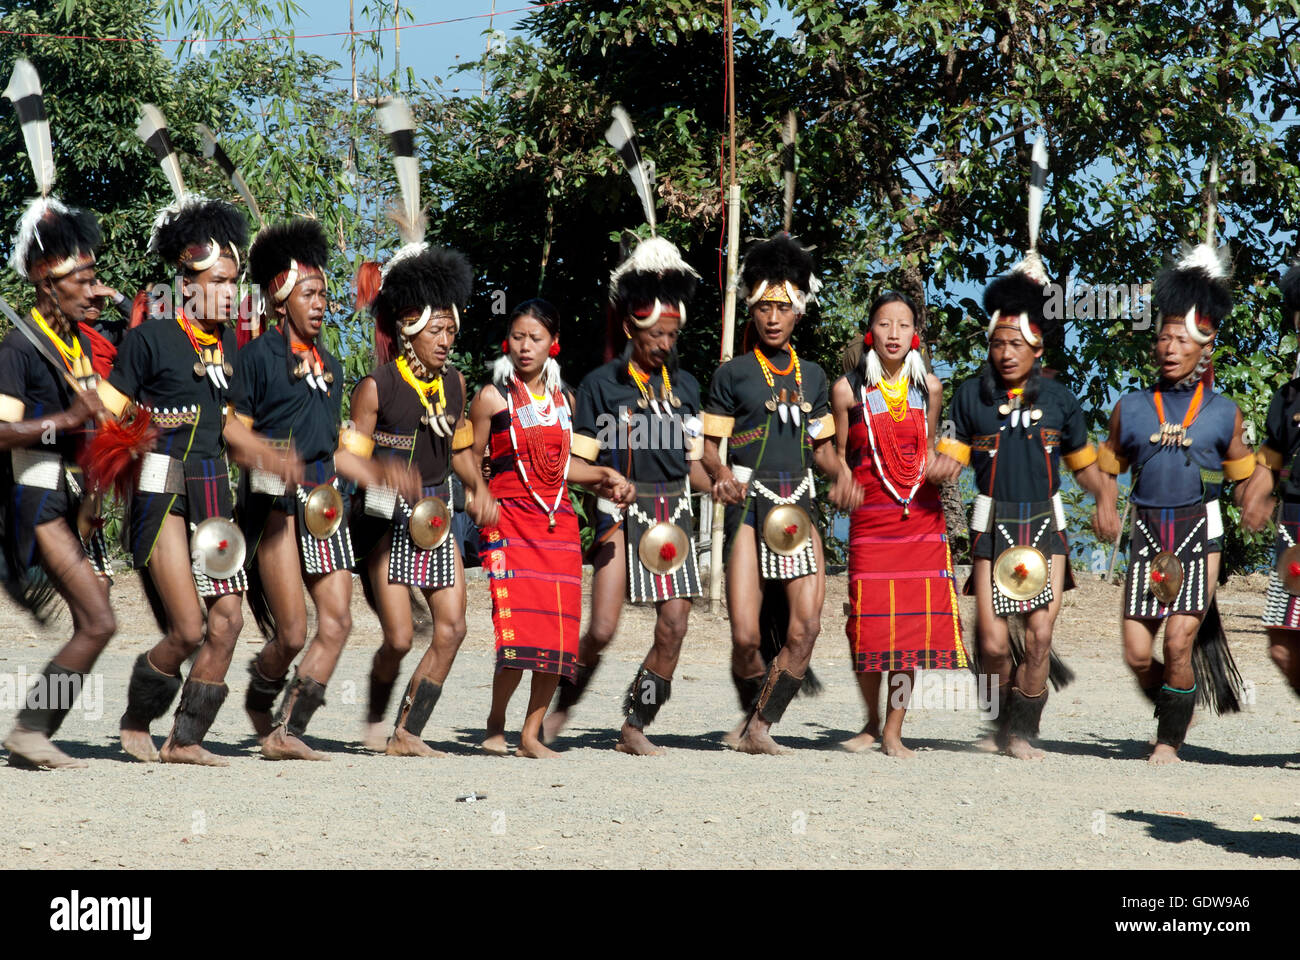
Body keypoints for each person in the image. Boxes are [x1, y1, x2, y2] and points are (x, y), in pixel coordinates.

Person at [98, 191, 299, 765]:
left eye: (236, 282)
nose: (231, 293)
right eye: (220, 281)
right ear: (187, 284)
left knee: (229, 617)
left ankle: (186, 739)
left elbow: (233, 426)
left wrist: (266, 452)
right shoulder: (148, 340)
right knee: (187, 627)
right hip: (162, 484)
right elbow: (109, 415)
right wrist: (107, 416)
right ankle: (138, 715)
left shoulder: (234, 345)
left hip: (213, 486)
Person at [233, 217, 419, 760]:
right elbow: (234, 435)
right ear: (281, 297)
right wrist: (268, 457)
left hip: (325, 504)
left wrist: (381, 474)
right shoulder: (256, 359)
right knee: (291, 632)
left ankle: (287, 730)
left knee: (337, 621)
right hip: (272, 506)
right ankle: (257, 699)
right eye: (309, 294)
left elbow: (335, 450)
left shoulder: (332, 368)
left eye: (324, 294)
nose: (320, 303)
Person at [931, 254, 1107, 758]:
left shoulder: (1060, 399)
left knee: (1039, 636)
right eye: (997, 343)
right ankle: (999, 720)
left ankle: (1021, 732)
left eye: (1015, 343)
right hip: (991, 525)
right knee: (989, 644)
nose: (1005, 353)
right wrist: (937, 465)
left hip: (1045, 527)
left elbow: (1084, 466)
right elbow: (951, 455)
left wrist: (1105, 498)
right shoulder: (970, 397)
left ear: (1036, 345)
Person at [543, 235, 707, 754]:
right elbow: (576, 465)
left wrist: (723, 483)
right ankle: (557, 712)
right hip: (619, 510)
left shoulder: (690, 389)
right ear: (634, 328)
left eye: (672, 335)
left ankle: (635, 723)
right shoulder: (599, 386)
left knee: (675, 624)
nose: (665, 344)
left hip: (675, 509)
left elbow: (696, 466)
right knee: (603, 628)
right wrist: (606, 480)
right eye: (656, 334)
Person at [701, 234, 862, 755]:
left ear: (799, 313)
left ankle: (760, 729)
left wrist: (841, 473)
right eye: (766, 306)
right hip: (749, 509)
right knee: (746, 637)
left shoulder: (814, 377)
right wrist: (721, 471)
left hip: (799, 509)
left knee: (807, 627)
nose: (774, 317)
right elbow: (708, 448)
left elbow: (821, 448)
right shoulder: (731, 374)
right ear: (753, 308)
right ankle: (753, 712)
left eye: (784, 307)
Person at [1095, 242, 1255, 763]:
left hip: (1197, 530)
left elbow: (1242, 474)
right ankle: (1173, 704)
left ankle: (1169, 741)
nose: (1168, 347)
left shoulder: (1223, 413)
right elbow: (1108, 466)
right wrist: (1104, 501)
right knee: (1138, 654)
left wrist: (1256, 499)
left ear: (1203, 349)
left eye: (1180, 340)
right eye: (1163, 337)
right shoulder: (1132, 408)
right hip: (1146, 532)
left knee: (1178, 644)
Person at [468, 299, 633, 758]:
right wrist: (475, 492)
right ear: (508, 340)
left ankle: (529, 735)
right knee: (518, 630)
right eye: (518, 337)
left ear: (552, 344)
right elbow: (467, 455)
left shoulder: (567, 402)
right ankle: (496, 721)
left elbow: (567, 466)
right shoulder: (492, 397)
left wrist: (604, 475)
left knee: (556, 634)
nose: (525, 347)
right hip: (509, 523)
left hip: (557, 527)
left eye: (535, 338)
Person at [350, 242, 494, 756]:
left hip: (436, 516)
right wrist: (384, 472)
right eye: (438, 331)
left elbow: (457, 451)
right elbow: (349, 459)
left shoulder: (453, 384)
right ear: (410, 328)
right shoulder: (375, 388)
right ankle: (372, 713)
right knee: (399, 638)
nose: (446, 341)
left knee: (453, 628)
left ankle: (406, 732)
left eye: (451, 331)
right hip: (384, 519)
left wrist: (477, 487)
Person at [0, 199, 115, 768]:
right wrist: (68, 420)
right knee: (98, 620)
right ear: (49, 284)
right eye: (85, 281)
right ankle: (29, 730)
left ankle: (32, 729)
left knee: (98, 618)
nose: (96, 292)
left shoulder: (73, 348)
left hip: (65, 500)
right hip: (33, 496)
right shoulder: (20, 347)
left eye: (96, 280)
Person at [832, 291, 967, 757]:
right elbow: (835, 453)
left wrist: (946, 463)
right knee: (867, 624)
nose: (894, 334)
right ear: (871, 329)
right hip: (871, 519)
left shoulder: (929, 387)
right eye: (885, 324)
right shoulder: (847, 390)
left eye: (904, 325)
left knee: (909, 630)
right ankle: (870, 722)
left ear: (915, 333)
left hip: (920, 519)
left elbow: (929, 451)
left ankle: (894, 730)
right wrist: (841, 477)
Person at [1241, 261, 1300, 708]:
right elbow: (1272, 454)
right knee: (1281, 645)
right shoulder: (1287, 398)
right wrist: (1257, 494)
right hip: (1294, 525)